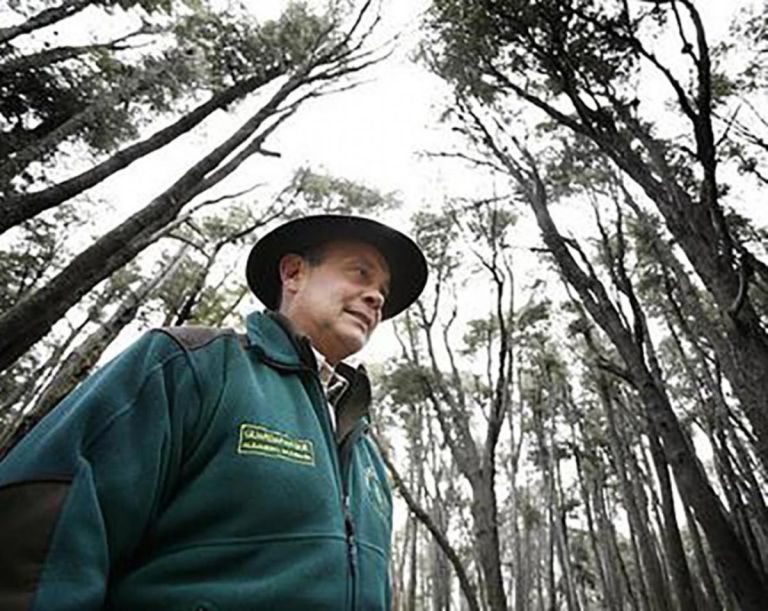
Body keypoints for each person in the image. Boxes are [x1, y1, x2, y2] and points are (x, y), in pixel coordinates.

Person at [0, 214, 428, 611]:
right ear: (294, 273)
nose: (377, 297)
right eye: (360, 272)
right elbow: (40, 531)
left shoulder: (367, 453)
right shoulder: (189, 365)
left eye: (384, 292)